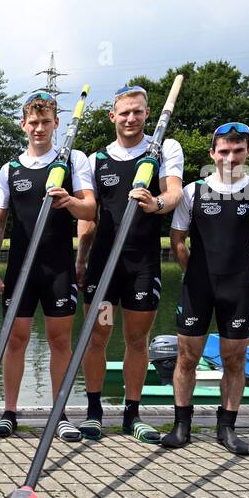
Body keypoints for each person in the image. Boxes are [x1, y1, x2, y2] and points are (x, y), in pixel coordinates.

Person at [162, 122, 249, 454]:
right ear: (212, 153)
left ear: (248, 152)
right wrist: (197, 274)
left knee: (234, 360)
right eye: (224, 151)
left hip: (237, 289)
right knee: (186, 358)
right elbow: (178, 241)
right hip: (197, 286)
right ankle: (181, 425)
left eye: (238, 150)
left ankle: (226, 428)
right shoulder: (192, 191)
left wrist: (242, 272)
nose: (230, 157)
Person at [77, 84, 184, 443]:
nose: (131, 118)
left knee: (137, 340)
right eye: (124, 112)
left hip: (141, 267)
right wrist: (81, 258)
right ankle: (94, 413)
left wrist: (155, 204)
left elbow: (174, 193)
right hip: (104, 269)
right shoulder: (97, 160)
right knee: (98, 336)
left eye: (137, 111)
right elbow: (89, 218)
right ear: (113, 116)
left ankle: (131, 415)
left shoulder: (164, 149)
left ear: (147, 114)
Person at [0, 92, 96, 440]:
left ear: (56, 124)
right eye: (32, 122)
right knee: (14, 340)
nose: (38, 128)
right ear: (23, 125)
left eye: (45, 121)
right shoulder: (10, 168)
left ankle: (59, 414)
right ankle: (9, 413)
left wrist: (69, 201)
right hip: (20, 268)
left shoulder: (71, 161)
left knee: (59, 340)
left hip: (58, 268)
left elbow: (91, 210)